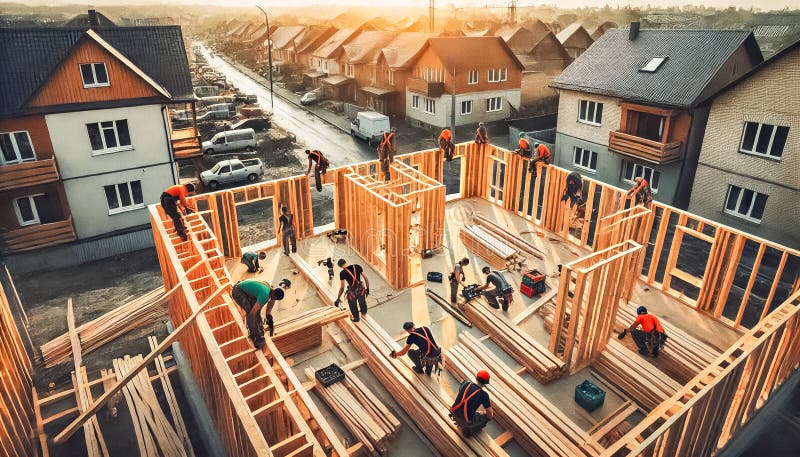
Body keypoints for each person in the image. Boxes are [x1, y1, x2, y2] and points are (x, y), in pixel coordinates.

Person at [231, 279, 285, 347]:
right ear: (274, 294)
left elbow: (269, 308)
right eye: (275, 298)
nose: (274, 299)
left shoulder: (271, 290)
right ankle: (255, 336)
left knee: (257, 311)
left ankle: (259, 330)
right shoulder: (265, 295)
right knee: (250, 311)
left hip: (244, 288)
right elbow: (251, 315)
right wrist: (253, 331)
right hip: (237, 291)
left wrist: (269, 318)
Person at [449, 370, 494, 437]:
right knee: (485, 416)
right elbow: (490, 415)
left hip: (454, 412)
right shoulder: (484, 395)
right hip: (465, 421)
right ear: (486, 383)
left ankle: (459, 420)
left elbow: (461, 394)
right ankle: (469, 429)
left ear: (476, 378)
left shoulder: (466, 383)